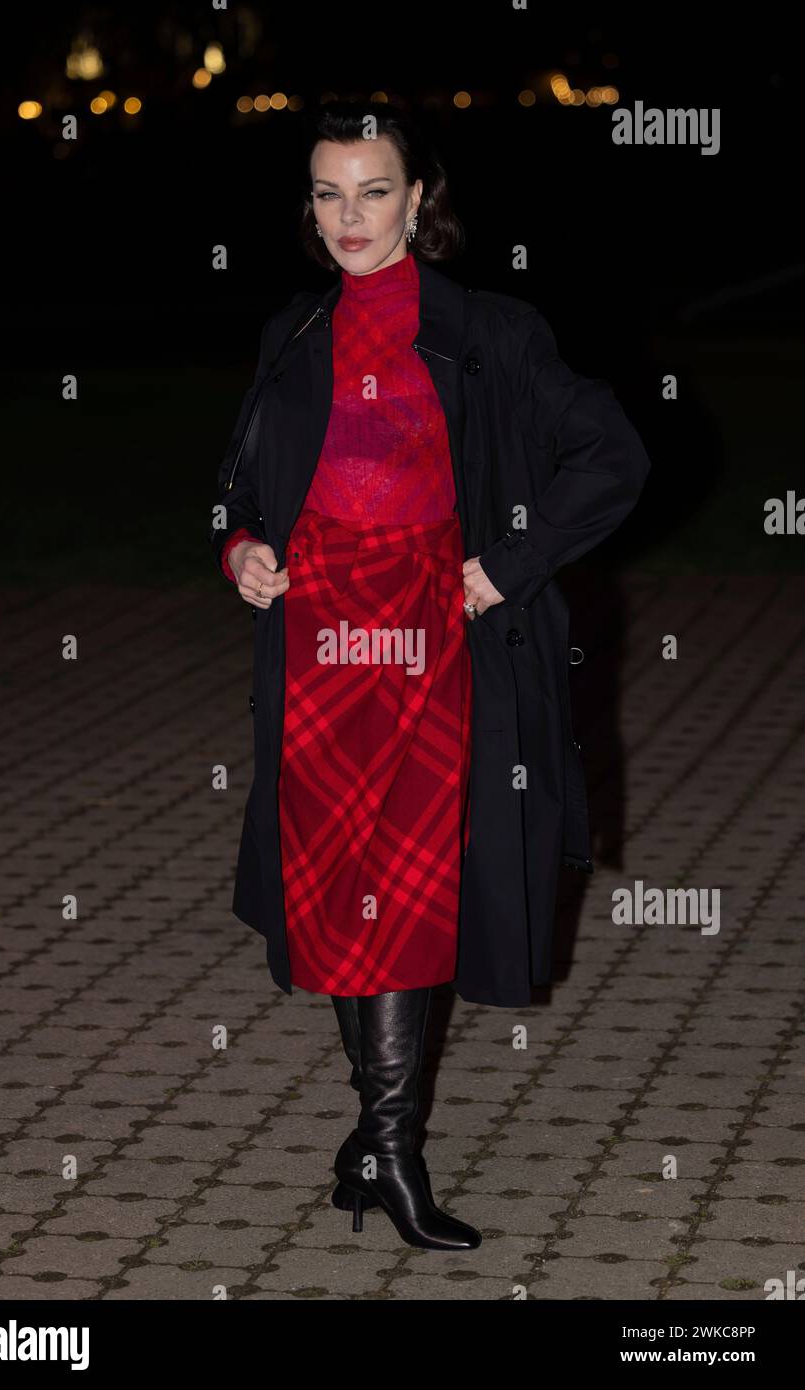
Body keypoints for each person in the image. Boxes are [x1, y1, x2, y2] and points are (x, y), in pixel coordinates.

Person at [210, 101, 651, 1251]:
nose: (347, 215)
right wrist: (243, 549)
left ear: (419, 202)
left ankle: (391, 1151)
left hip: (434, 644)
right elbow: (239, 488)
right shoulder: (293, 334)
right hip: (315, 652)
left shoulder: (491, 332)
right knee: (337, 890)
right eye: (326, 192)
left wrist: (504, 567)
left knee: (402, 894)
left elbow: (614, 455)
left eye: (371, 191)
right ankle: (373, 1140)